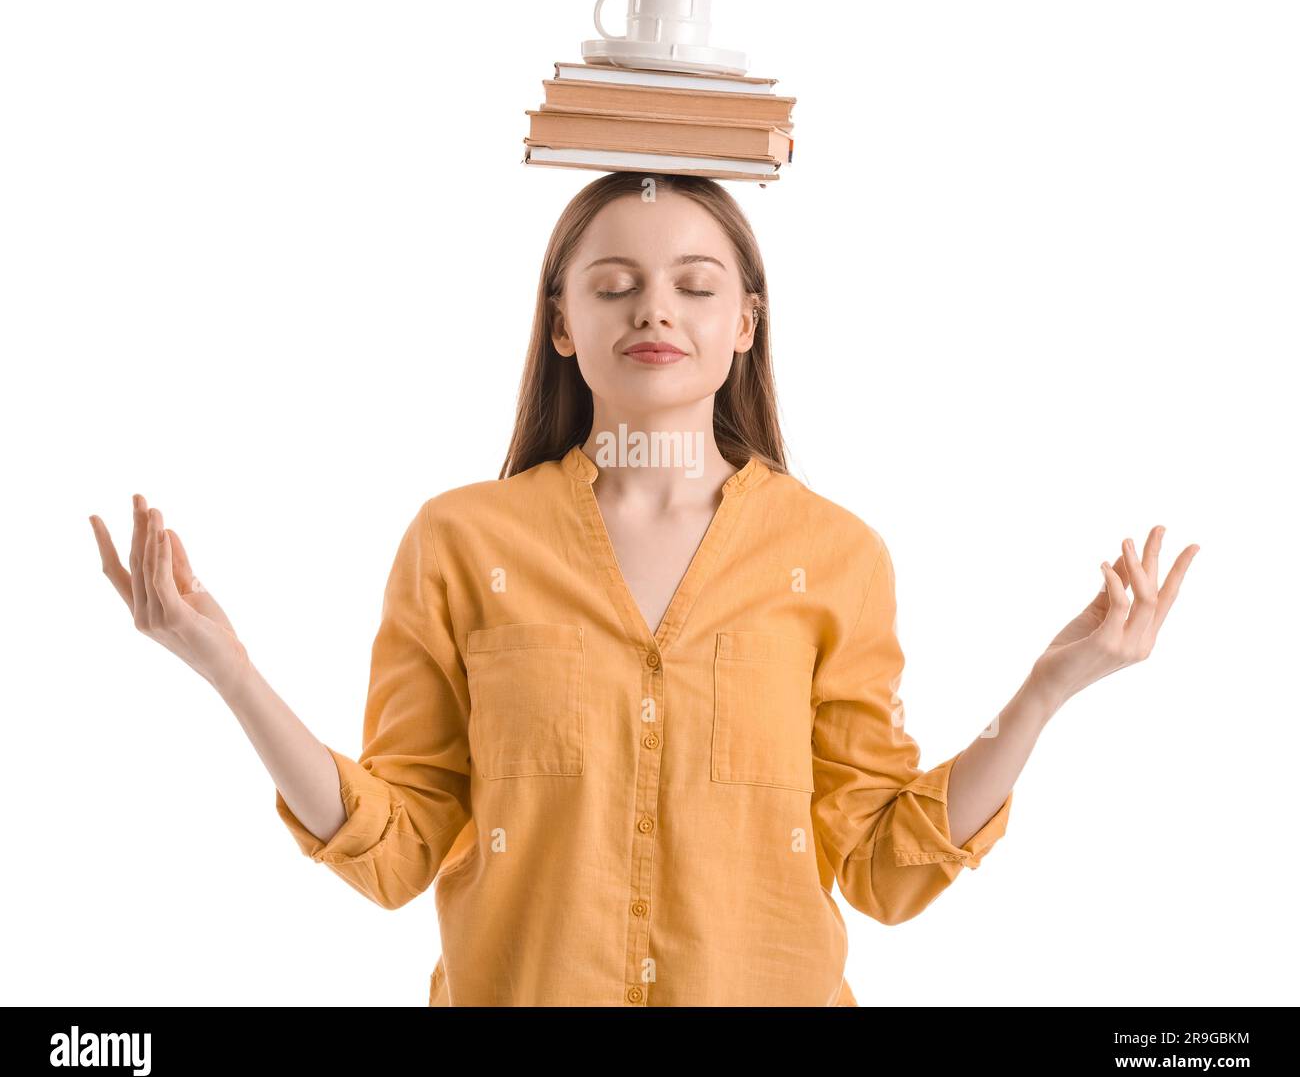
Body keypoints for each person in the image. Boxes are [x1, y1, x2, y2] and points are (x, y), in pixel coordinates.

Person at [90, 171, 1199, 1007]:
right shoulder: (458, 539)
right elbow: (397, 845)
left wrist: (1044, 695)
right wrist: (226, 671)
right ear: (563, 323)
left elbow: (879, 860)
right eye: (613, 285)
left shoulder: (838, 553)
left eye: (694, 286)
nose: (654, 311)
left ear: (743, 325)